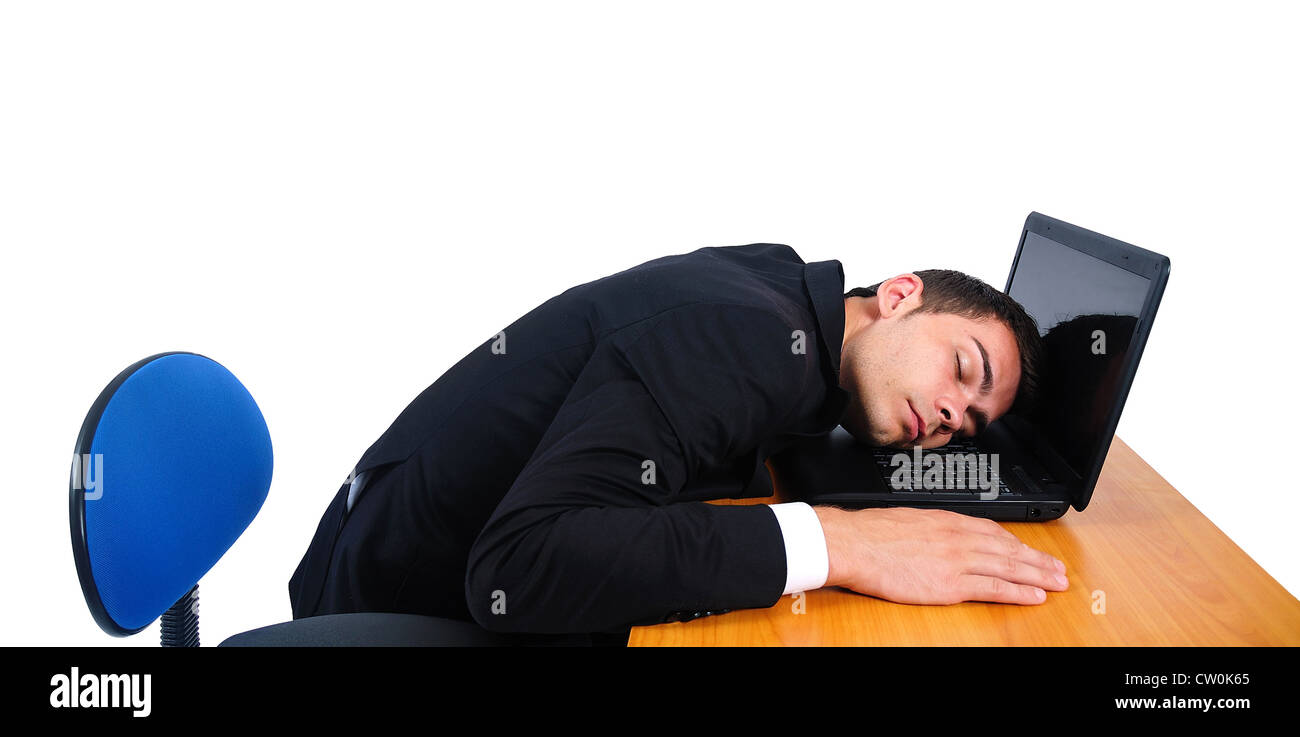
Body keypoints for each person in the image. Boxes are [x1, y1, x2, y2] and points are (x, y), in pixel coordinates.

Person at [287, 242, 1067, 639]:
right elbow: (521, 563)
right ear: (898, 295)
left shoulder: (786, 292)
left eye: (967, 425)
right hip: (402, 596)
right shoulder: (747, 339)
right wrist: (843, 542)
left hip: (389, 539)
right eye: (962, 369)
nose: (946, 416)